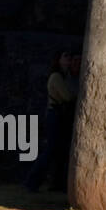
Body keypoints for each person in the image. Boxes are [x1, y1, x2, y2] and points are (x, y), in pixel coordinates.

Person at [24, 52, 79, 193]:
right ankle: (32, 182)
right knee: (50, 150)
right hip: (55, 115)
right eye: (66, 57)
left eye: (70, 57)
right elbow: (67, 96)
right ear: (59, 60)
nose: (69, 60)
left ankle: (57, 184)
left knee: (60, 152)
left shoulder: (66, 77)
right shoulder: (56, 77)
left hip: (61, 115)